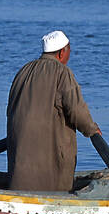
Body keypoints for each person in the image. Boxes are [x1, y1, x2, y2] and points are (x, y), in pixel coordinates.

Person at [6, 30, 101, 191]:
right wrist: (92, 129)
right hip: (49, 147)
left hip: (21, 145)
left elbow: (10, 109)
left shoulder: (23, 71)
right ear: (62, 52)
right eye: (69, 50)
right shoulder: (63, 73)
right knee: (54, 181)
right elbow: (76, 110)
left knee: (24, 177)